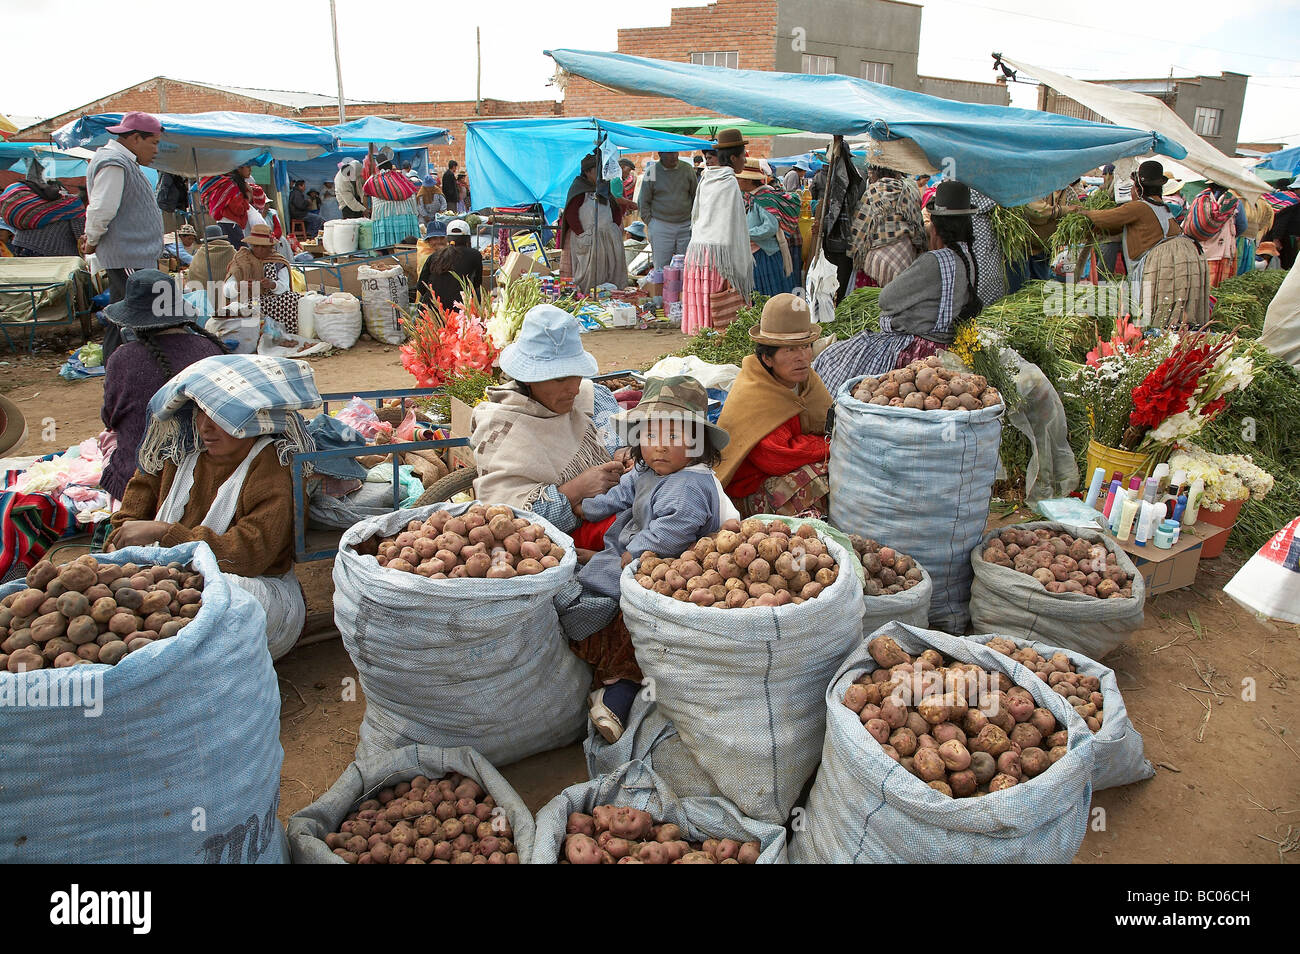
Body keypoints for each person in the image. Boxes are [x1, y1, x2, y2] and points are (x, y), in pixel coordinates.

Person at [105, 353, 316, 660]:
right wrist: (123, 547)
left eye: (221, 416)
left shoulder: (272, 465)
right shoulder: (174, 453)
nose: (205, 426)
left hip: (253, 593)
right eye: (200, 412)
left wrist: (166, 532)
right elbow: (127, 520)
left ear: (252, 418)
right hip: (161, 588)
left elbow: (246, 556)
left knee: (223, 599)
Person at [563, 376, 737, 742]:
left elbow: (672, 531)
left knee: (626, 617)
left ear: (698, 444)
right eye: (651, 436)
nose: (659, 448)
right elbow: (622, 494)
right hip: (634, 550)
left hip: (676, 564)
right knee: (597, 579)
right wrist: (586, 508)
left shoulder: (689, 485)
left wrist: (634, 554)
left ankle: (619, 691)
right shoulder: (649, 470)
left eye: (674, 438)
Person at [469, 304, 629, 553]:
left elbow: (617, 427)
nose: (574, 388)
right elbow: (509, 522)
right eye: (560, 379)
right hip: (556, 544)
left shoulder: (590, 395)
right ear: (529, 379)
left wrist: (624, 450)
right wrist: (575, 490)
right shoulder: (504, 428)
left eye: (576, 375)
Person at [814, 180, 983, 394]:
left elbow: (887, 299)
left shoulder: (934, 262)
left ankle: (827, 406)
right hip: (947, 344)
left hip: (919, 349)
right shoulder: (967, 258)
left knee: (835, 358)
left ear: (936, 227)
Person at [99, 270, 226, 501]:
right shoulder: (212, 350)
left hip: (141, 487)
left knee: (107, 437)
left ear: (133, 320)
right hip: (207, 485)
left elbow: (110, 419)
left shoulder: (122, 358)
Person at [715, 294, 834, 517]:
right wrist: (832, 446)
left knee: (841, 471)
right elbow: (778, 458)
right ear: (767, 358)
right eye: (790, 350)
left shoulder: (807, 381)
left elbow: (830, 422)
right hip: (747, 489)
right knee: (815, 478)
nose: (802, 357)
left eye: (806, 346)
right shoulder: (754, 392)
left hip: (785, 469)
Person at [1076, 160, 1208, 327]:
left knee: (1159, 312)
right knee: (1175, 310)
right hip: (1187, 257)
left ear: (1139, 189)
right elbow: (1120, 227)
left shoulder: (1139, 207)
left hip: (1168, 262)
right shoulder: (1162, 206)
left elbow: (1106, 218)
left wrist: (1081, 212)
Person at [83, 111, 166, 366]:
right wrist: (92, 240)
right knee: (140, 314)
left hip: (135, 253)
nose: (155, 150)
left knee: (125, 315)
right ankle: (128, 372)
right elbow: (101, 208)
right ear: (134, 138)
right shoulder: (114, 162)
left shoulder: (123, 161)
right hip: (130, 254)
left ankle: (118, 371)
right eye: (153, 143)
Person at [682, 128, 753, 334]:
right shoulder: (728, 181)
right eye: (743, 157)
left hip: (698, 250)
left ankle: (702, 341)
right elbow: (733, 227)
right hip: (718, 256)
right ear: (733, 157)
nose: (745, 162)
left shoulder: (707, 177)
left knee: (706, 304)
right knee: (718, 308)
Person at [557, 152, 628, 293]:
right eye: (597, 171)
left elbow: (614, 208)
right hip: (587, 238)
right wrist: (582, 234)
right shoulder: (579, 189)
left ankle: (609, 296)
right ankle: (586, 297)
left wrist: (614, 228)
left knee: (608, 269)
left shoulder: (603, 189)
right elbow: (571, 214)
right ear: (588, 172)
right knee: (589, 271)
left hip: (606, 237)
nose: (601, 175)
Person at [848, 162, 926, 288]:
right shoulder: (909, 191)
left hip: (876, 259)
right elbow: (918, 226)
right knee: (899, 298)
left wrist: (854, 251)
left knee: (872, 302)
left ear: (876, 172)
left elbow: (860, 228)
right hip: (905, 254)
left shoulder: (873, 192)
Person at [223, 224, 301, 334]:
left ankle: (285, 334)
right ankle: (256, 336)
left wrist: (272, 284)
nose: (259, 250)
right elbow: (227, 290)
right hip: (249, 300)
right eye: (256, 246)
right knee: (249, 308)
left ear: (271, 247)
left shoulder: (278, 261)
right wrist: (240, 286)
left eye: (263, 247)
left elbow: (285, 287)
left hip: (274, 300)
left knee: (294, 299)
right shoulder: (242, 260)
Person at [0, 158, 86, 257]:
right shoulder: (73, 205)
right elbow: (80, 235)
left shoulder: (34, 202)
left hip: (19, 245)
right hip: (51, 251)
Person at [818, 138, 868, 302]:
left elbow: (837, 210)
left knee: (836, 284)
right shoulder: (853, 173)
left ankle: (834, 314)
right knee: (839, 283)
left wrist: (823, 225)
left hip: (839, 241)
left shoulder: (843, 176)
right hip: (848, 240)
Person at [738, 158, 796, 296]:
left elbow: (770, 227)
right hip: (756, 251)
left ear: (748, 180)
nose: (737, 181)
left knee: (767, 294)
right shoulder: (751, 197)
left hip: (764, 254)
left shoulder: (763, 198)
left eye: (739, 179)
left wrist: (746, 234)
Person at [637, 149, 697, 272]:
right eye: (670, 153)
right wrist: (651, 223)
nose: (674, 156)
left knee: (687, 267)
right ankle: (660, 290)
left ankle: (684, 291)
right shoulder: (652, 172)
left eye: (675, 153)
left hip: (686, 225)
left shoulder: (687, 169)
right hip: (660, 225)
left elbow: (695, 196)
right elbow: (643, 201)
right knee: (661, 267)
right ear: (660, 154)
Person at [1187, 182, 1246, 287]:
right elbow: (1242, 226)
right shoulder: (1234, 202)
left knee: (1198, 285)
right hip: (1223, 252)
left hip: (1199, 250)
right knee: (1218, 289)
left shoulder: (1199, 199)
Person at [416, 219, 482, 310]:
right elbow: (477, 284)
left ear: (448, 238)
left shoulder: (434, 256)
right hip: (461, 311)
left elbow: (421, 286)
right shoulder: (475, 255)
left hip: (434, 310)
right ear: (468, 238)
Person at [363, 158, 420, 247]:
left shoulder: (373, 180)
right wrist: (415, 213)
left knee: (388, 247)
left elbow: (365, 193)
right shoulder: (401, 178)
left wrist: (366, 209)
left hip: (384, 217)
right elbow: (411, 194)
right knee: (408, 244)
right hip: (406, 215)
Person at [197, 165, 258, 248]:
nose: (250, 170)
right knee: (242, 253)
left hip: (226, 224)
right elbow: (238, 209)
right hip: (230, 225)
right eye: (248, 167)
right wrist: (248, 196)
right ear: (239, 168)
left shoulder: (229, 184)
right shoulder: (231, 186)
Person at [184, 224, 237, 308]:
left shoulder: (199, 254)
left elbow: (192, 278)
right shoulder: (232, 252)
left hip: (205, 305)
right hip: (229, 304)